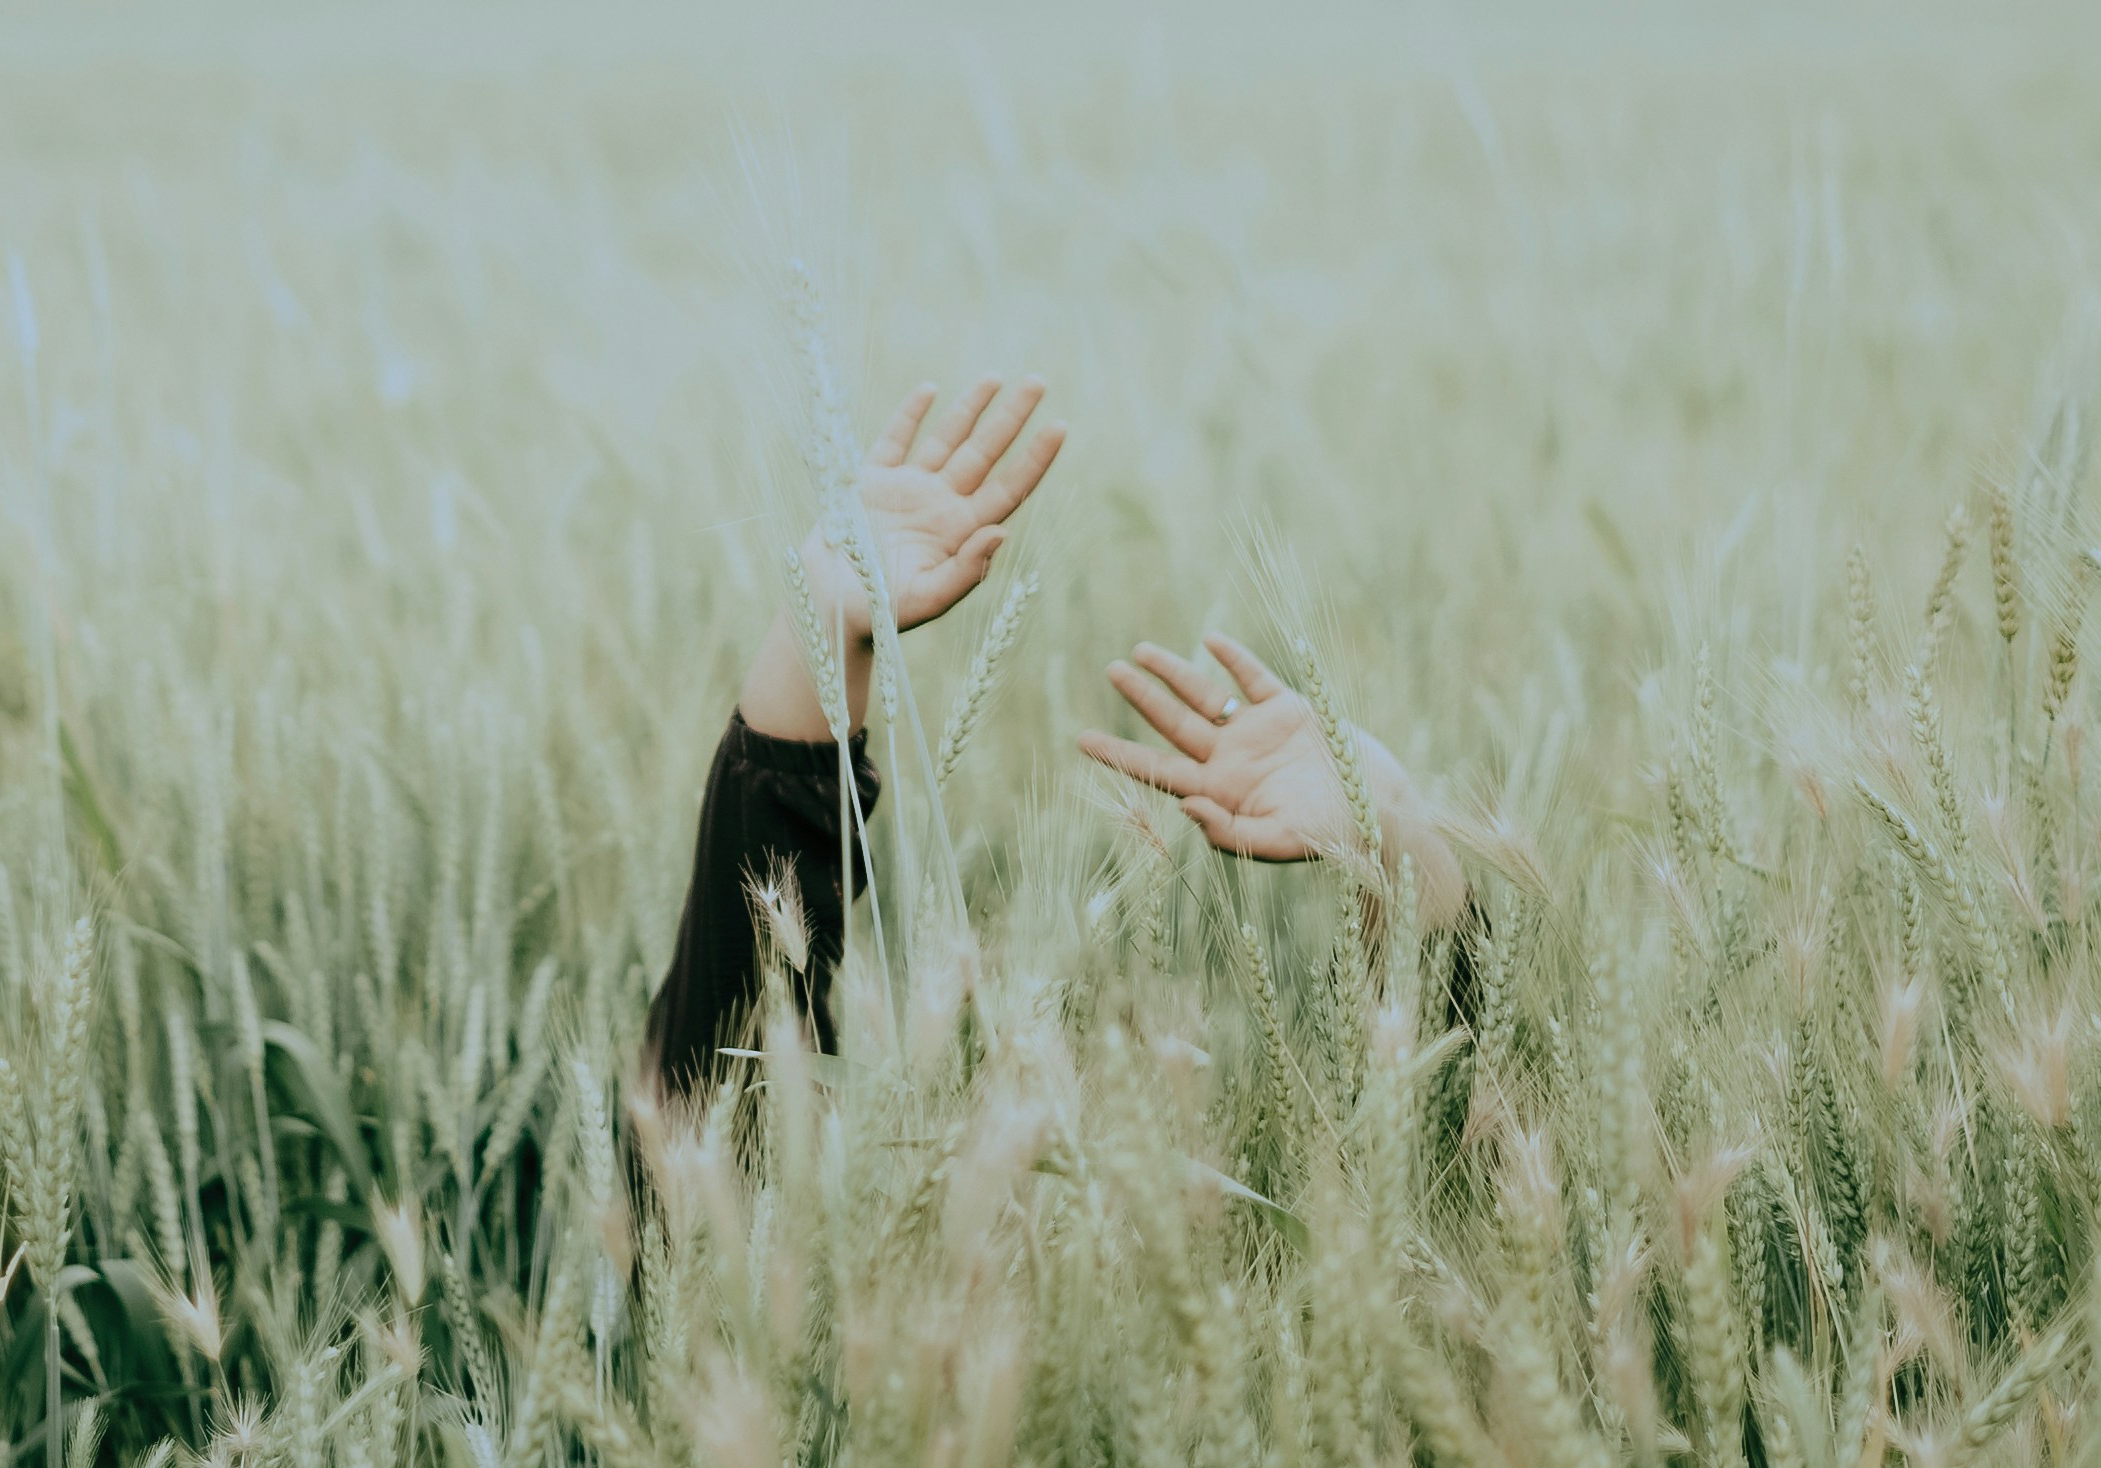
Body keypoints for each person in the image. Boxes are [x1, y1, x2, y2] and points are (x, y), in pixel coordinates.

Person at [638, 378, 1514, 1107]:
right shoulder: (818, 1285)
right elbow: (724, 1115)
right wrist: (817, 637)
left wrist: (1395, 840)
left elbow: (1470, 1140)